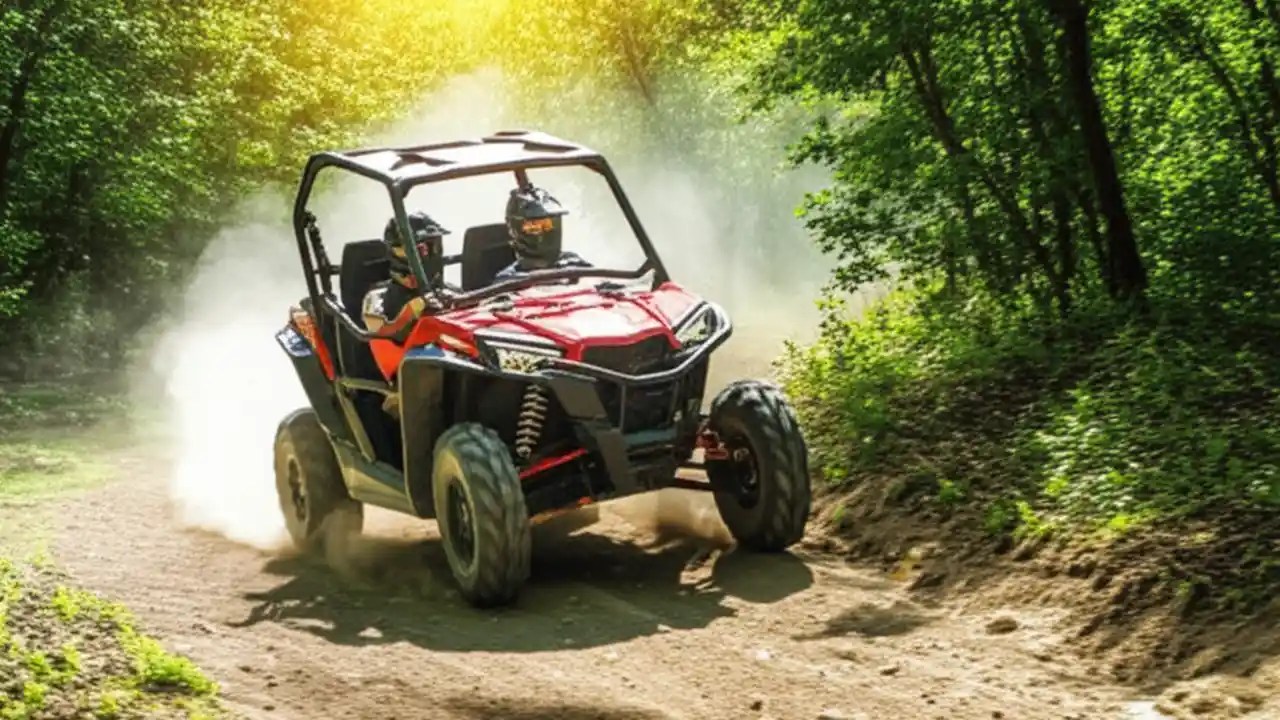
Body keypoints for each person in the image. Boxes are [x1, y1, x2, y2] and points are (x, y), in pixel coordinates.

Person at [362, 211, 450, 337]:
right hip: (411, 354)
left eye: (435, 246)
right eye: (423, 249)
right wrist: (410, 313)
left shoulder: (445, 290)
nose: (432, 253)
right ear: (398, 252)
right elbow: (380, 335)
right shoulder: (380, 301)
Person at [493, 185, 591, 281]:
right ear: (516, 230)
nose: (543, 230)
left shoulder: (574, 262)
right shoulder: (508, 280)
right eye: (534, 226)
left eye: (547, 224)